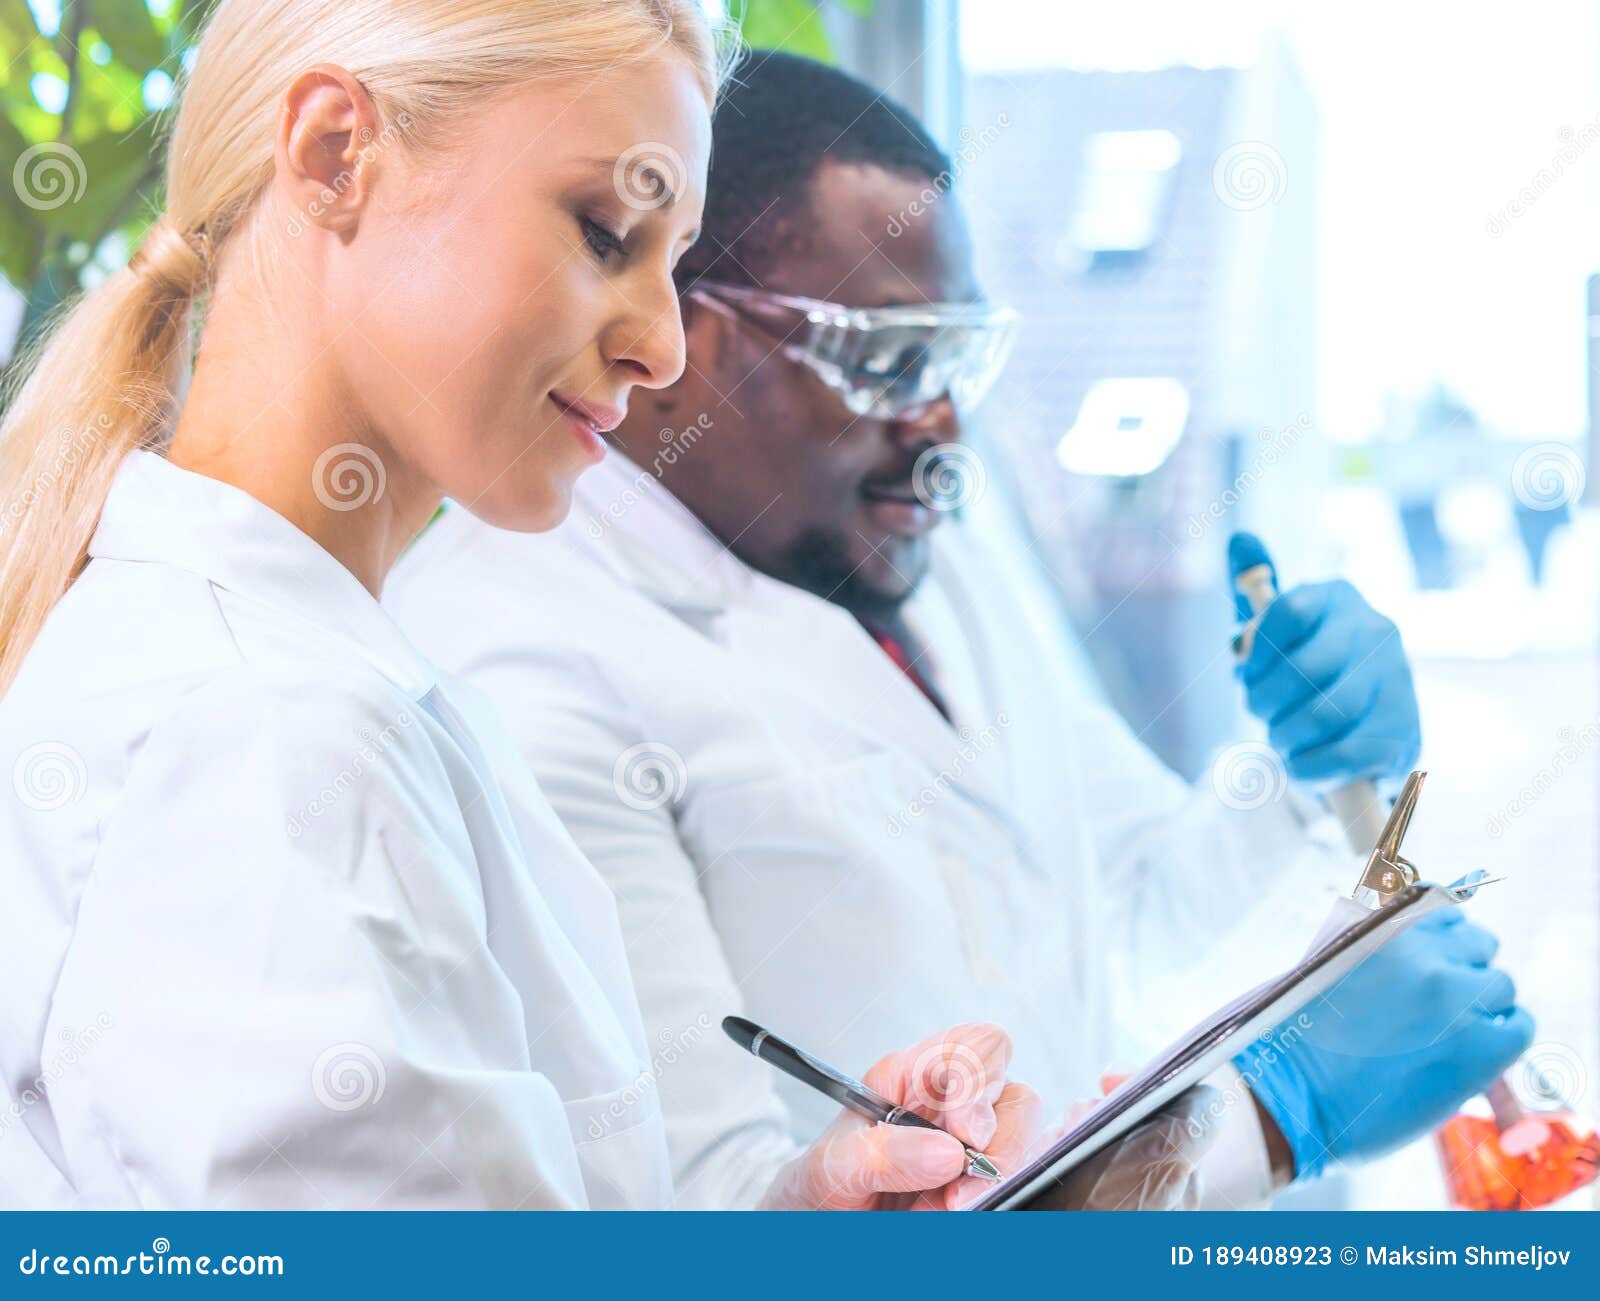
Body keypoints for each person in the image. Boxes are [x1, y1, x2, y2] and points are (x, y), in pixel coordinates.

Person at [383, 49, 1535, 1209]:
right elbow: (711, 1219)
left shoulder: (925, 564)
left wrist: (1298, 777)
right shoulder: (508, 665)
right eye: (885, 358)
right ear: (670, 329)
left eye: (955, 355)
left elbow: (1125, 910)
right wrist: (1268, 1120)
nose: (937, 423)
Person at [0, 4, 1046, 1212]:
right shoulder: (269, 729)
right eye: (605, 233)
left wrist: (803, 1217)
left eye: (675, 257)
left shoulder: (307, 670)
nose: (660, 346)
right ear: (338, 152)